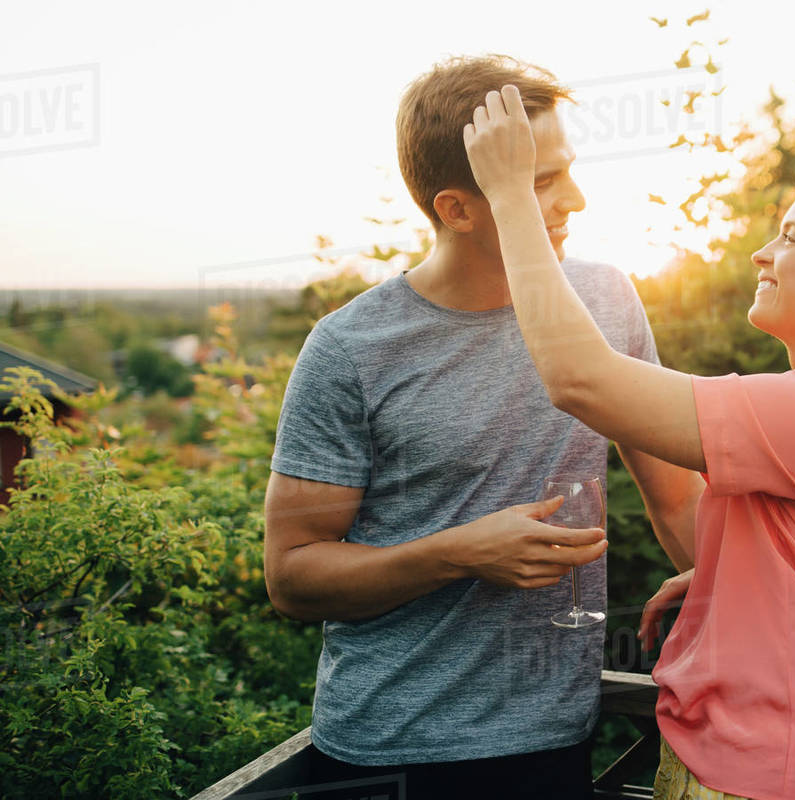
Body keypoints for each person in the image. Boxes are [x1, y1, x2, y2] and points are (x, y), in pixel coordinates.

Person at [463, 85, 795, 799]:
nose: (764, 253)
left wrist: (510, 194)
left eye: (791, 237)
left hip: (774, 781)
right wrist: (730, 580)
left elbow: (581, 380)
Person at [263, 57, 703, 800]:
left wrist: (742, 596)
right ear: (457, 208)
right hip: (387, 753)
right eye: (539, 183)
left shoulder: (607, 298)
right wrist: (458, 553)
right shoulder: (350, 349)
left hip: (555, 741)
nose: (576, 200)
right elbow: (293, 574)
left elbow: (675, 498)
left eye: (567, 170)